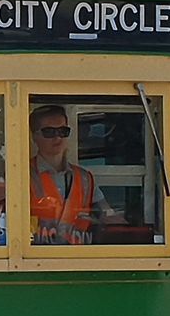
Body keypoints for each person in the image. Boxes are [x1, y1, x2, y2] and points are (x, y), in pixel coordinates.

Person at [29, 105, 115, 245]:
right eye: (49, 132)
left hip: (78, 254)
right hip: (36, 255)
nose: (58, 137)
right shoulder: (23, 175)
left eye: (63, 131)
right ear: (34, 136)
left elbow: (109, 217)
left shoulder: (85, 178)